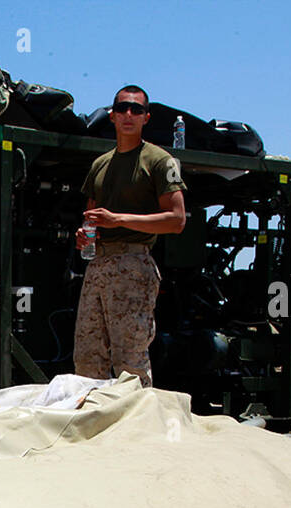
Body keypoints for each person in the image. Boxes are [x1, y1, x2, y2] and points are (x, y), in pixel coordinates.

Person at [75, 85, 187, 387]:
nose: (129, 115)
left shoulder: (159, 160)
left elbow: (176, 220)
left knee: (129, 360)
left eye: (136, 110)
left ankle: (140, 430)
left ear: (146, 118)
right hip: (98, 264)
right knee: (87, 358)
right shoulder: (100, 165)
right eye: (123, 108)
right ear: (112, 116)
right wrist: (85, 236)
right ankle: (95, 427)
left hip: (133, 263)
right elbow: (91, 217)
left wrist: (118, 220)